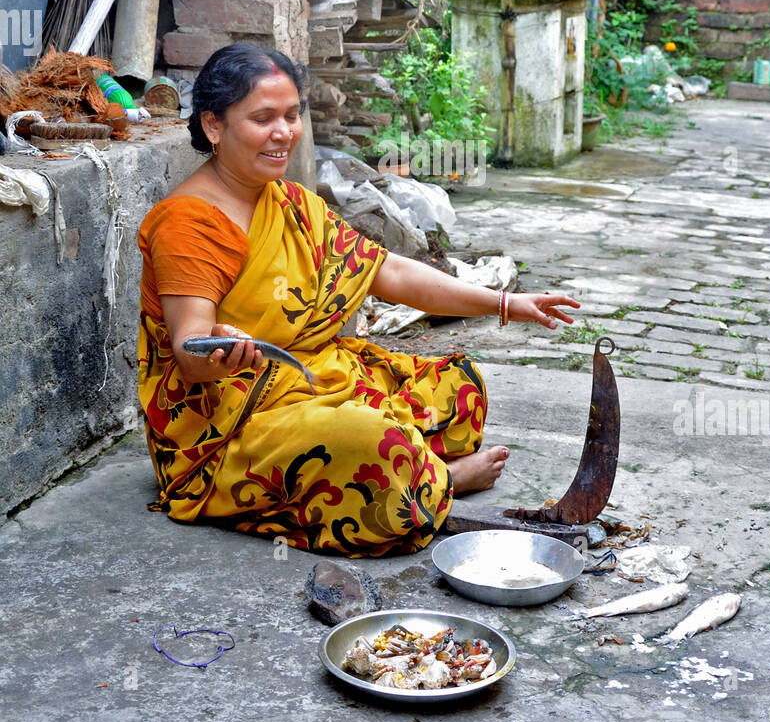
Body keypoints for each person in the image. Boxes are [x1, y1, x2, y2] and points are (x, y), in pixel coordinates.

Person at [137, 43, 580, 557]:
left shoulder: (291, 200)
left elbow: (385, 270)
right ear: (214, 126)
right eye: (263, 118)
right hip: (233, 423)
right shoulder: (190, 223)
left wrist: (504, 303)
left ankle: (413, 472)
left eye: (291, 115)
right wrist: (220, 350)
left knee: (460, 389)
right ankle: (441, 480)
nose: (284, 133)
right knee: (374, 446)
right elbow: (191, 356)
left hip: (316, 374)